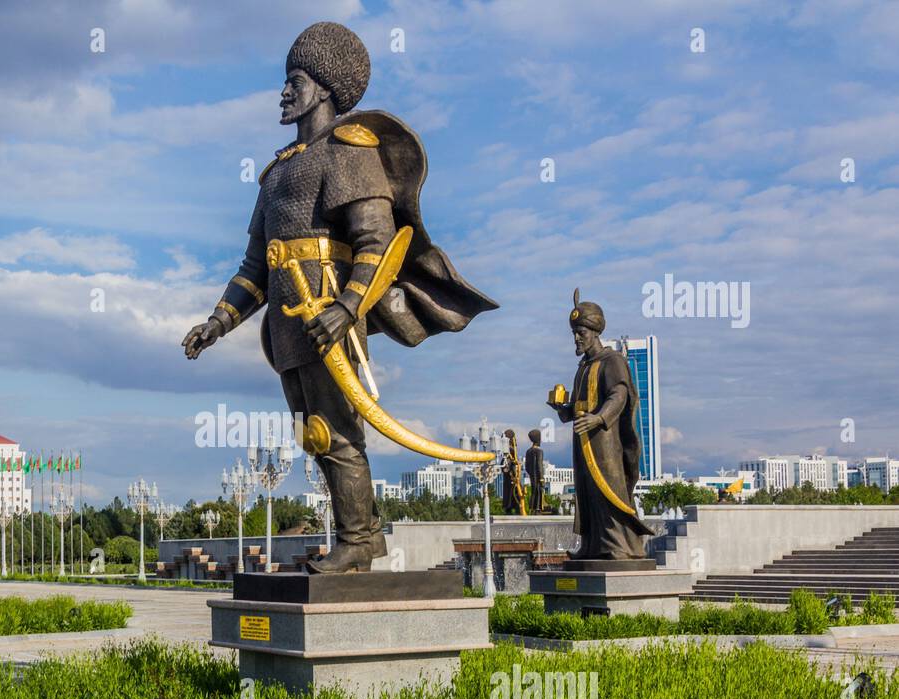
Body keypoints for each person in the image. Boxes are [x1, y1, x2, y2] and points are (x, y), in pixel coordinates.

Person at [182, 21, 496, 572]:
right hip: (287, 325)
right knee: (314, 436)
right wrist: (217, 322)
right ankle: (367, 535)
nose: (283, 92)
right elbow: (256, 266)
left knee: (336, 431)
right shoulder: (276, 173)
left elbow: (377, 240)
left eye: (295, 80)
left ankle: (355, 543)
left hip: (330, 317)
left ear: (324, 88)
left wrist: (348, 307)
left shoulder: (349, 150)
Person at [546, 291, 654, 560]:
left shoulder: (612, 361)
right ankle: (593, 545)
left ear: (594, 331)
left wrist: (599, 418)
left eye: (581, 332)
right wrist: (564, 410)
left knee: (609, 491)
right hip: (582, 442)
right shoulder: (583, 367)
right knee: (586, 492)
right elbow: (580, 405)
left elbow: (619, 394)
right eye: (574, 333)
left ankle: (620, 546)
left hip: (604, 441)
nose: (577, 338)